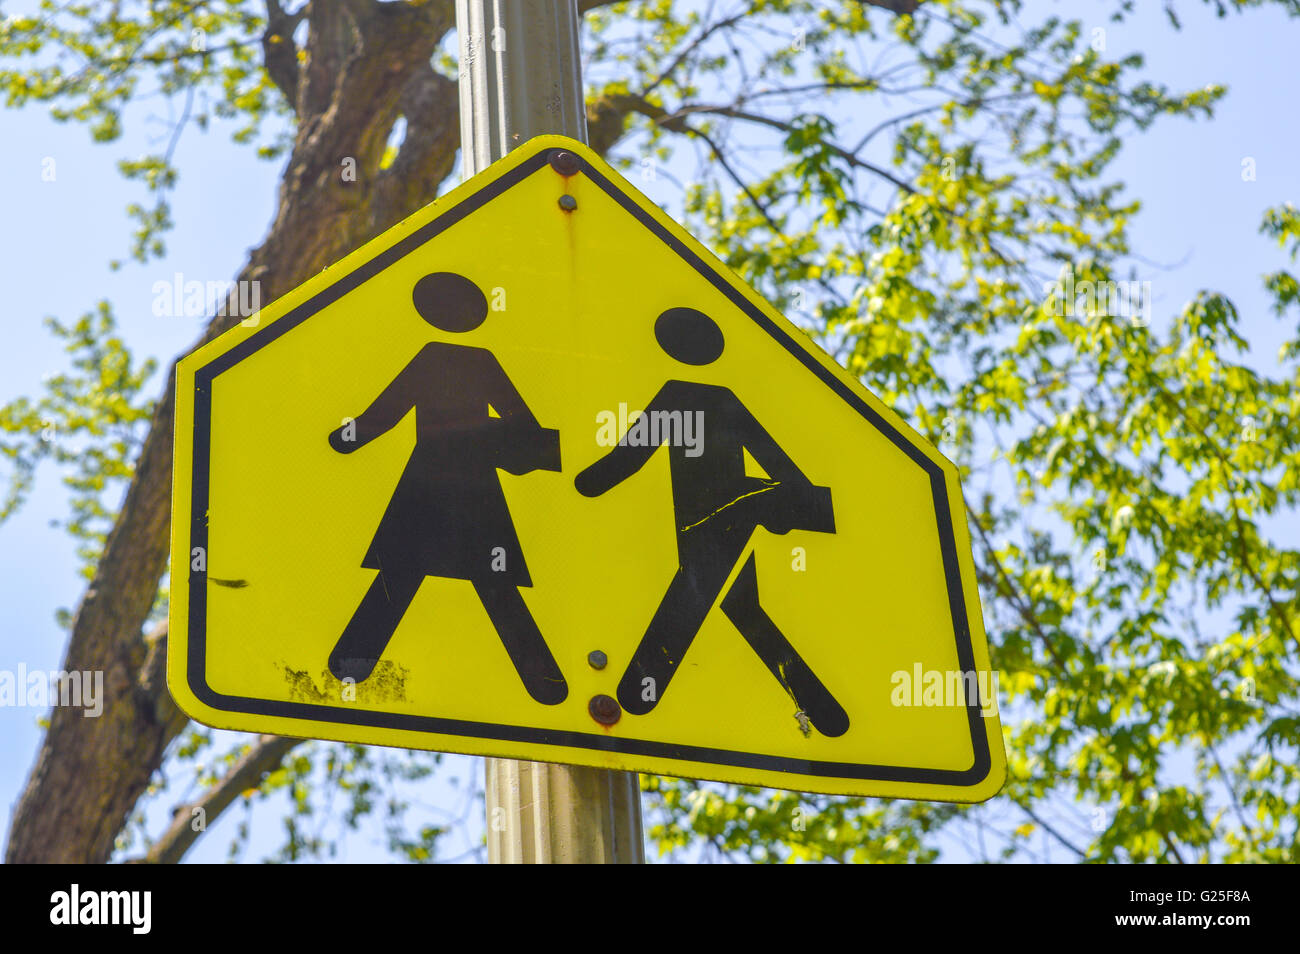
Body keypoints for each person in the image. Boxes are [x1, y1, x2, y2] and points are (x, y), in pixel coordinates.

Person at [575, 307, 849, 736]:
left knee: (695, 594)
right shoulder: (722, 398)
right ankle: (821, 707)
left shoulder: (678, 395)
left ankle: (637, 690)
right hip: (735, 511)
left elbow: (630, 455)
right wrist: (797, 494)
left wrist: (586, 483)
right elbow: (777, 459)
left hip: (707, 519)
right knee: (739, 604)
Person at [326, 271, 567, 705]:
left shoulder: (438, 357)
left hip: (431, 475)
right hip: (473, 481)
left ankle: (352, 660)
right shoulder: (477, 360)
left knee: (409, 567)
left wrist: (350, 437)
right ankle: (542, 677)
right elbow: (522, 422)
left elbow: (386, 413)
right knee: (485, 574)